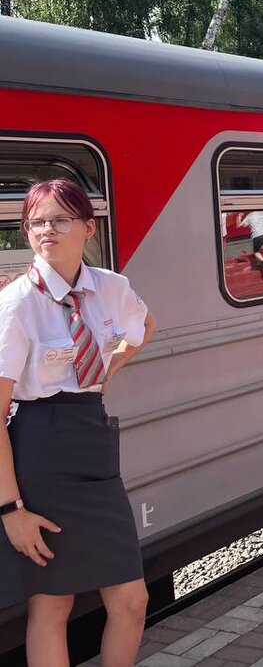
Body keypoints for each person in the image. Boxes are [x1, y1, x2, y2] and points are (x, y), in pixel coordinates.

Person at [0, 178, 157, 666]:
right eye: (36, 221)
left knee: (132, 600)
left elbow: (145, 328)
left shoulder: (112, 287)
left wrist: (107, 371)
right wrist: (10, 510)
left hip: (93, 441)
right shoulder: (15, 304)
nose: (46, 229)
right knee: (52, 603)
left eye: (59, 219)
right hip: (39, 452)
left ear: (88, 227)